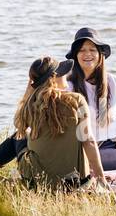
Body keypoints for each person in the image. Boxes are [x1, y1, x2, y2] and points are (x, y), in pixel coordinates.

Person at [0, 27, 116, 173]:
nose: (88, 54)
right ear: (75, 56)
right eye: (82, 50)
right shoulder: (67, 84)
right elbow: (36, 107)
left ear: (101, 54)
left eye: (92, 50)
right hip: (90, 148)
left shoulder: (114, 82)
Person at [12, 57, 108, 190]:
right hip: (75, 183)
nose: (67, 75)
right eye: (62, 73)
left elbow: (19, 126)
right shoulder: (76, 101)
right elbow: (89, 141)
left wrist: (29, 93)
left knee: (17, 137)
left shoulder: (31, 106)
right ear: (53, 79)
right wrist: (100, 178)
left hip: (39, 183)